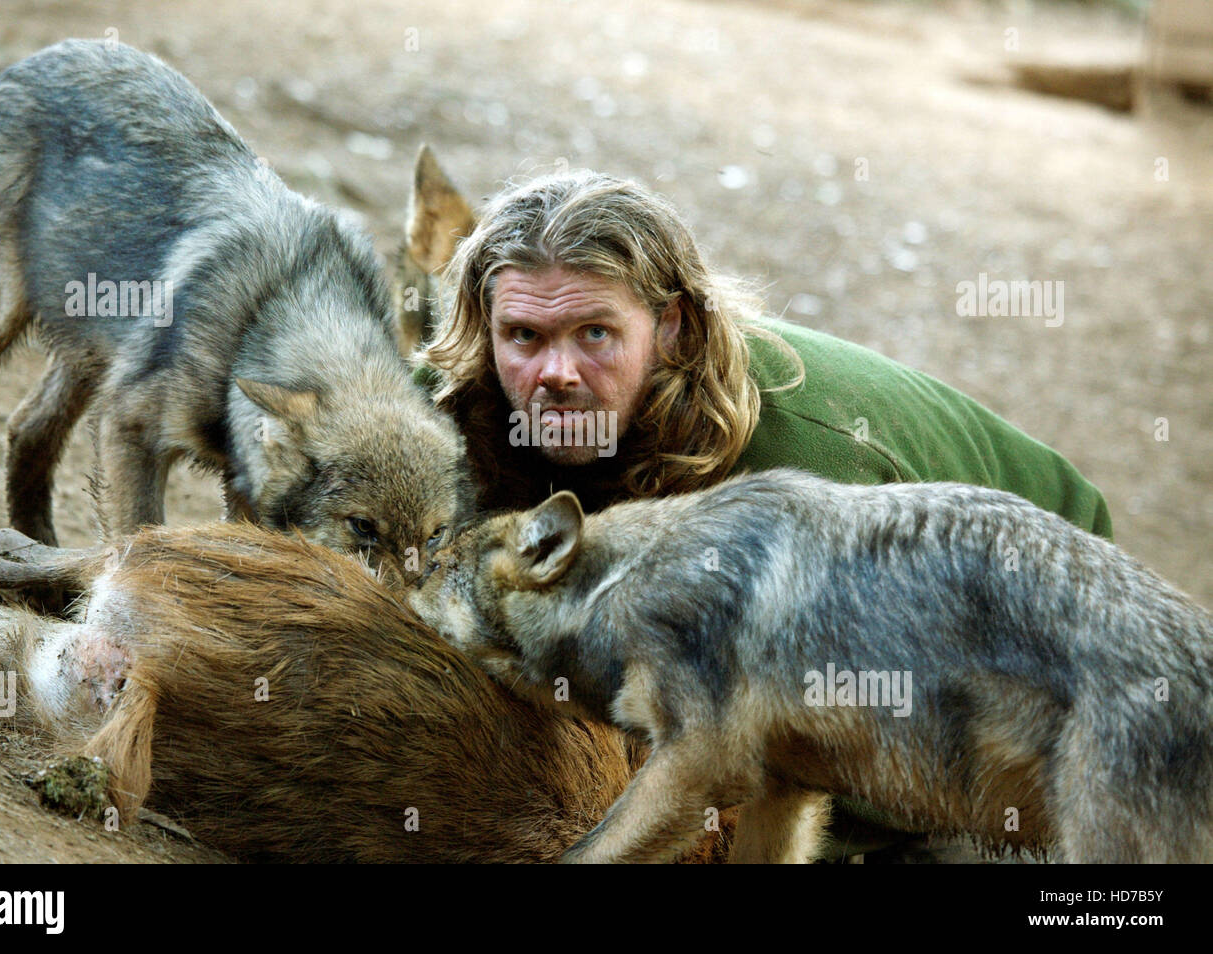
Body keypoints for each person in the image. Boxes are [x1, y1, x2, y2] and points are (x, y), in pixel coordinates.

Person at [414, 169, 1112, 858]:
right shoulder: (446, 408)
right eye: (526, 336)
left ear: (671, 328)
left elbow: (796, 746)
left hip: (1031, 624)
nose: (556, 373)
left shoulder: (801, 466)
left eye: (594, 334)